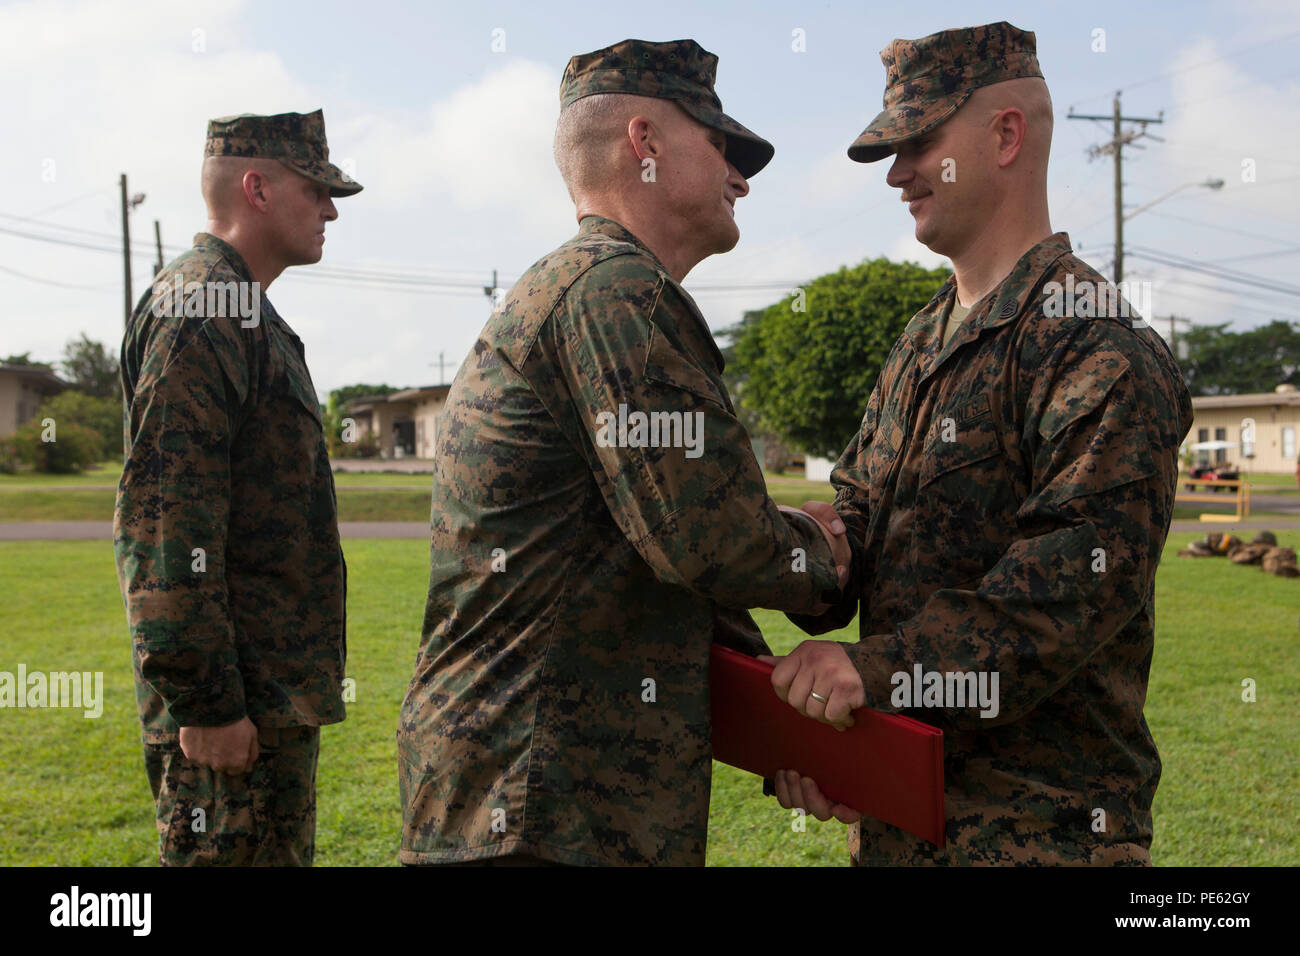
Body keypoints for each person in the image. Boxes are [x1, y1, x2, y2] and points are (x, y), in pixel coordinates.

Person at [398, 38, 849, 867]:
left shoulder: (586, 287)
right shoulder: (616, 293)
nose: (740, 178)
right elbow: (706, 542)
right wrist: (826, 553)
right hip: (542, 803)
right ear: (644, 142)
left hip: (538, 790)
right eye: (720, 146)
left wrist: (789, 727)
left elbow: (644, 560)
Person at [764, 22, 1194, 865]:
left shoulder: (1096, 347)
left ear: (1006, 135)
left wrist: (870, 676)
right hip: (897, 823)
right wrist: (768, 547)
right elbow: (852, 527)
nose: (896, 173)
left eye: (919, 141)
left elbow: (1059, 600)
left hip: (1041, 838)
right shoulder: (922, 340)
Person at [114, 110, 362, 865]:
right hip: (234, 708)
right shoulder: (201, 310)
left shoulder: (242, 309)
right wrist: (206, 702)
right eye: (317, 189)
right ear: (256, 187)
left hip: (267, 697)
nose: (330, 208)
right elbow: (164, 520)